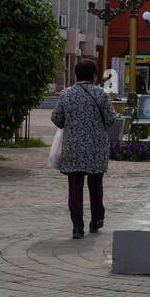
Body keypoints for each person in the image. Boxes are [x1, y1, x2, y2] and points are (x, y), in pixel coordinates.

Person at [50, 60, 118, 239]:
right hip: (96, 147)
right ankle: (97, 219)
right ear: (94, 75)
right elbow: (111, 119)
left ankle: (77, 227)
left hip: (73, 147)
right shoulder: (101, 94)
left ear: (76, 75)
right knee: (95, 184)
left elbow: (57, 119)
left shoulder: (66, 94)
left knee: (75, 187)